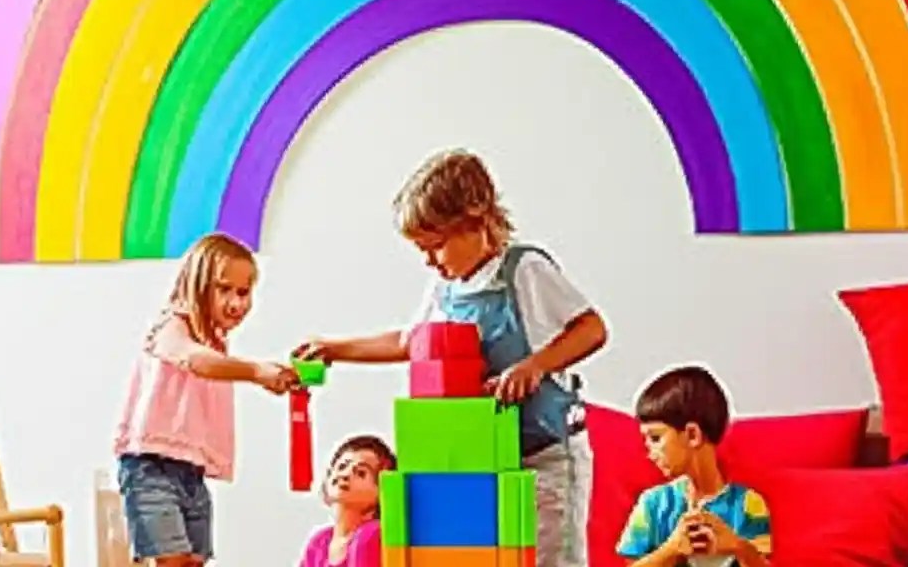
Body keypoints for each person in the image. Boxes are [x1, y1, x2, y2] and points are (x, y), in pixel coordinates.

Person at [294, 148, 609, 567]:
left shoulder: (522, 269)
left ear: (475, 221)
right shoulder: (446, 288)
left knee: (551, 558)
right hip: (486, 459)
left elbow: (591, 328)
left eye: (437, 246)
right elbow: (410, 343)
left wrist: (535, 365)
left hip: (545, 451)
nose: (430, 260)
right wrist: (337, 349)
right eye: (422, 249)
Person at [114, 232, 301, 567]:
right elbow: (193, 359)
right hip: (150, 468)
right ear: (197, 286)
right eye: (224, 289)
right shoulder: (172, 326)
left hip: (190, 474)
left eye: (244, 292)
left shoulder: (215, 344)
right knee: (173, 560)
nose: (237, 302)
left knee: (192, 562)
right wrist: (256, 372)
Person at [617, 365, 770, 567]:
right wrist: (672, 549)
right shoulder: (652, 504)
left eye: (656, 438)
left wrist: (736, 546)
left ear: (692, 435)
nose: (649, 453)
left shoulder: (747, 504)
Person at [298, 435, 396, 567]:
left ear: (380, 491)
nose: (344, 475)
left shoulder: (371, 534)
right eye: (341, 466)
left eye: (361, 473)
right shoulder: (319, 542)